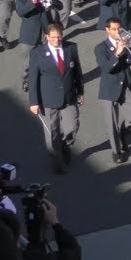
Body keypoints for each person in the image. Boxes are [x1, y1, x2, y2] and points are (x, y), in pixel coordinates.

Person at [26, 24, 85, 174]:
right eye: (53, 37)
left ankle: (66, 146)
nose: (57, 40)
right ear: (47, 37)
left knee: (72, 126)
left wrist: (80, 91)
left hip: (69, 96)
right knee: (52, 134)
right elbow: (33, 79)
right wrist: (34, 102)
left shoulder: (71, 48)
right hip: (48, 99)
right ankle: (57, 163)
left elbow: (77, 71)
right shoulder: (37, 53)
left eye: (59, 36)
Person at [95, 18, 131, 164]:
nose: (117, 32)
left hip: (125, 85)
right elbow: (106, 68)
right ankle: (116, 151)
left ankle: (123, 131)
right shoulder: (101, 48)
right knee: (111, 122)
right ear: (107, 30)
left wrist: (130, 49)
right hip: (109, 88)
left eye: (119, 29)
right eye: (114, 29)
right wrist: (118, 53)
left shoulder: (126, 44)